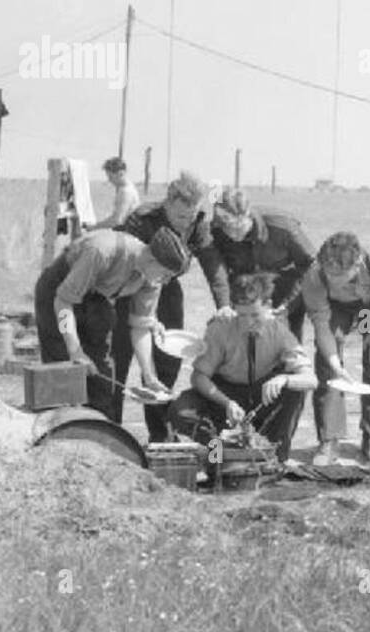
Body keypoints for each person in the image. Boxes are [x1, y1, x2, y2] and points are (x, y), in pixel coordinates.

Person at [112, 171, 232, 442]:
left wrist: (223, 305)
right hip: (127, 288)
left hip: (166, 288)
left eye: (190, 217)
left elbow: (212, 263)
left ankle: (159, 433)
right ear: (167, 205)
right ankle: (112, 430)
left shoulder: (198, 222)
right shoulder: (141, 219)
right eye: (179, 217)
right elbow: (123, 259)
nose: (185, 223)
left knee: (167, 359)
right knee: (118, 358)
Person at [34, 226, 190, 420]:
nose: (165, 282)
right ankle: (58, 433)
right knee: (63, 374)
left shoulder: (152, 278)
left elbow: (140, 325)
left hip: (97, 300)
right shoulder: (102, 250)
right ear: (152, 259)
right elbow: (63, 302)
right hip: (58, 294)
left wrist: (149, 376)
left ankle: (99, 436)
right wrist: (75, 350)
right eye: (165, 274)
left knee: (102, 381)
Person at [167, 272, 317, 462]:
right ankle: (220, 455)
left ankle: (275, 457)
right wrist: (226, 402)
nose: (247, 322)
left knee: (295, 390)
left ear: (268, 306)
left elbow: (311, 379)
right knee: (179, 412)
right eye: (242, 315)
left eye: (255, 315)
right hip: (225, 392)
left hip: (262, 395)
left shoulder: (280, 331)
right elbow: (199, 377)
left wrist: (284, 379)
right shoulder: (220, 328)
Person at [300, 232, 370, 467]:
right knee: (328, 364)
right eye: (329, 274)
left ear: (357, 263)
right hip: (336, 308)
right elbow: (322, 326)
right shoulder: (314, 276)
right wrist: (334, 363)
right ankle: (328, 440)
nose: (334, 279)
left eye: (340, 274)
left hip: (368, 307)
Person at [206, 189, 317, 342]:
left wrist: (287, 305)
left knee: (286, 344)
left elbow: (312, 267)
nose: (233, 235)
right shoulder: (216, 231)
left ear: (248, 215)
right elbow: (217, 270)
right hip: (244, 289)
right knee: (241, 342)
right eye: (227, 230)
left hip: (286, 288)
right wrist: (223, 305)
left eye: (238, 227)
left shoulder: (283, 227)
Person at [86, 157, 141, 230]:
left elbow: (117, 221)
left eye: (111, 177)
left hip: (128, 232)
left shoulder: (126, 191)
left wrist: (94, 226)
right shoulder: (125, 188)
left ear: (120, 173)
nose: (109, 180)